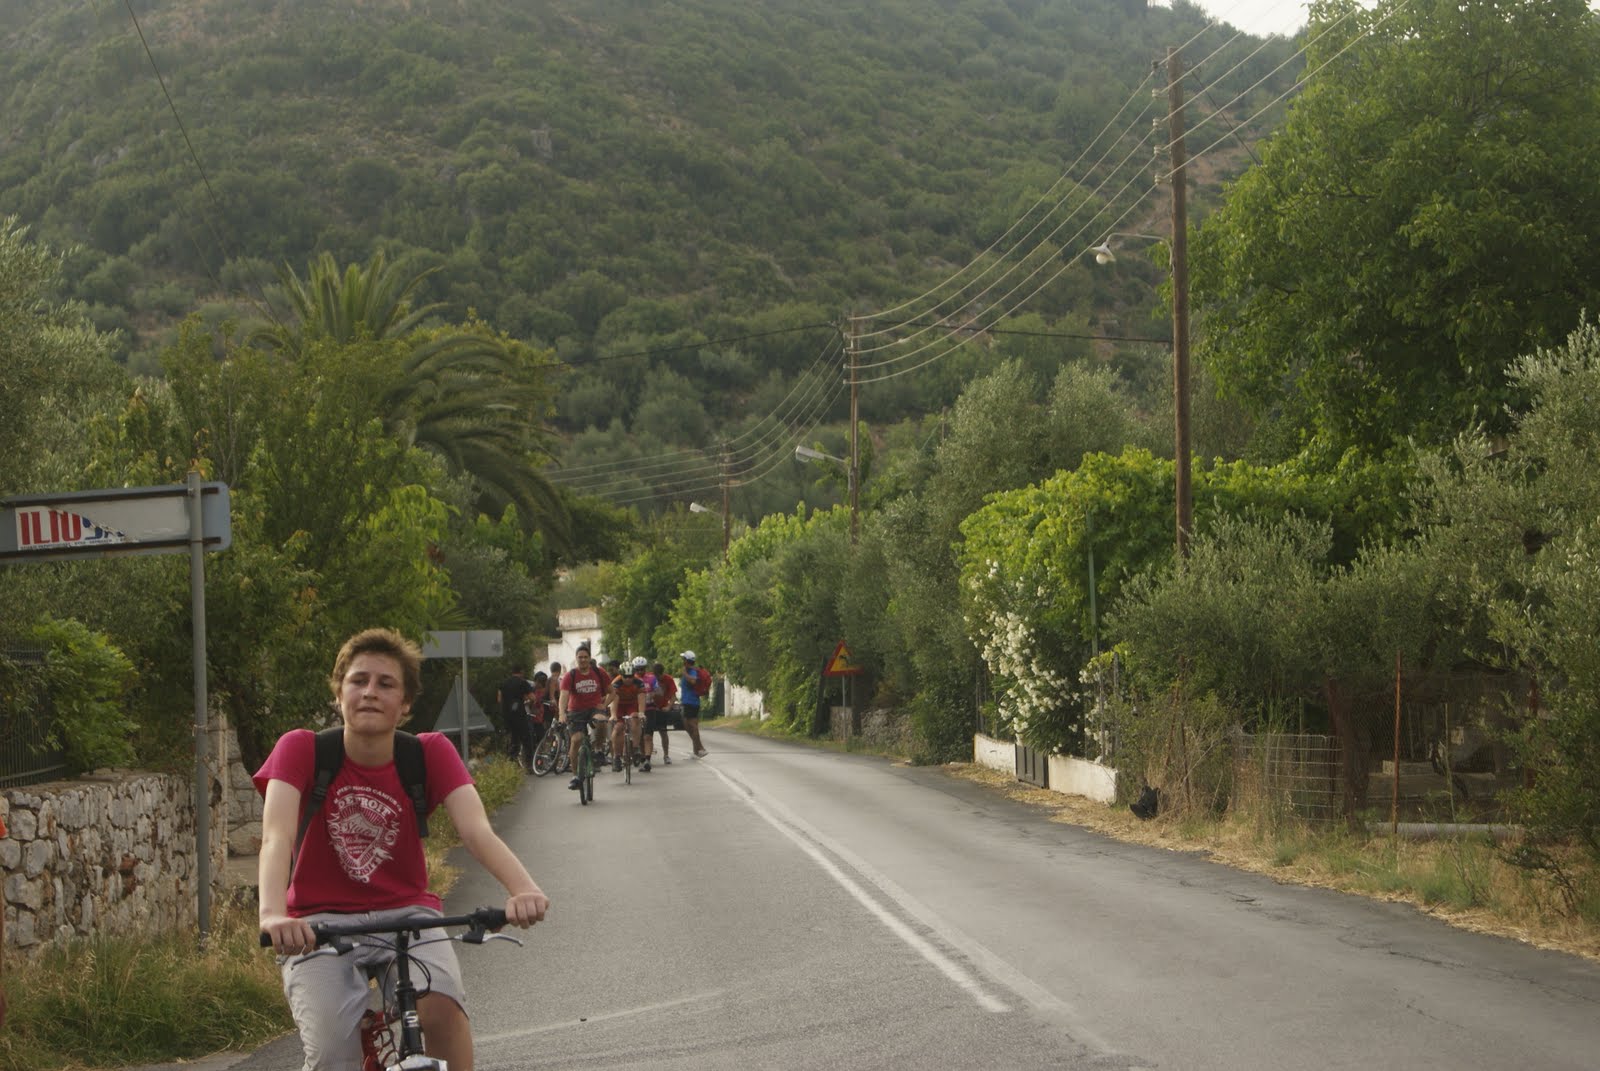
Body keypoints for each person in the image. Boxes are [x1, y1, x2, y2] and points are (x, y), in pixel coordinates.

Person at [256, 628, 549, 1071]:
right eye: (358, 681)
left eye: (386, 684)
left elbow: (476, 831)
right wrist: (272, 915)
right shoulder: (300, 749)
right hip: (318, 923)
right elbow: (276, 837)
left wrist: (523, 889)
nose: (370, 692)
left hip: (409, 915)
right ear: (338, 694)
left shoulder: (428, 753)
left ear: (406, 704)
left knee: (442, 1010)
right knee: (333, 1052)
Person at [558, 643, 610, 789]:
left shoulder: (599, 672)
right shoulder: (570, 675)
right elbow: (564, 696)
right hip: (576, 711)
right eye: (580, 657)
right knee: (576, 740)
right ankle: (575, 776)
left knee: (602, 721)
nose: (583, 660)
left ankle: (598, 750)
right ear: (576, 659)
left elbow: (612, 692)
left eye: (585, 657)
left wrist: (605, 704)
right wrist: (562, 713)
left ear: (589, 658)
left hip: (594, 709)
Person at [608, 658, 651, 772]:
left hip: (632, 705)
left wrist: (641, 713)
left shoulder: (638, 682)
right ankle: (617, 757)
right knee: (618, 727)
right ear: (621, 675)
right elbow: (614, 700)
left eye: (631, 676)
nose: (628, 679)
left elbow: (641, 699)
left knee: (636, 718)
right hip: (619, 706)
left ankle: (636, 748)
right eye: (625, 676)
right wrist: (613, 715)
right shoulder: (616, 683)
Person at [496, 666, 539, 772]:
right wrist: (528, 702)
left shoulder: (503, 683)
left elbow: (499, 699)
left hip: (506, 715)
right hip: (519, 715)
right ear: (521, 672)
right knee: (526, 739)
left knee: (512, 739)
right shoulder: (523, 682)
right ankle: (529, 765)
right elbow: (533, 697)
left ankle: (511, 765)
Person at [679, 650, 712, 758]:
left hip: (690, 701)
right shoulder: (690, 670)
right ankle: (696, 751)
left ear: (686, 660)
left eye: (684, 659)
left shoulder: (691, 671)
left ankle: (701, 748)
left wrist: (685, 674)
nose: (682, 661)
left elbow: (693, 681)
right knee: (688, 725)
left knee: (692, 726)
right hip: (690, 701)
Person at [648, 660, 679, 764]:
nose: (657, 678)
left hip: (662, 708)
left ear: (662, 673)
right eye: (655, 676)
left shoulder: (668, 679)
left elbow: (673, 696)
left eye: (659, 676)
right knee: (648, 733)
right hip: (650, 708)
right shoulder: (650, 678)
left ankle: (666, 755)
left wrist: (668, 707)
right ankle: (647, 756)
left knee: (663, 732)